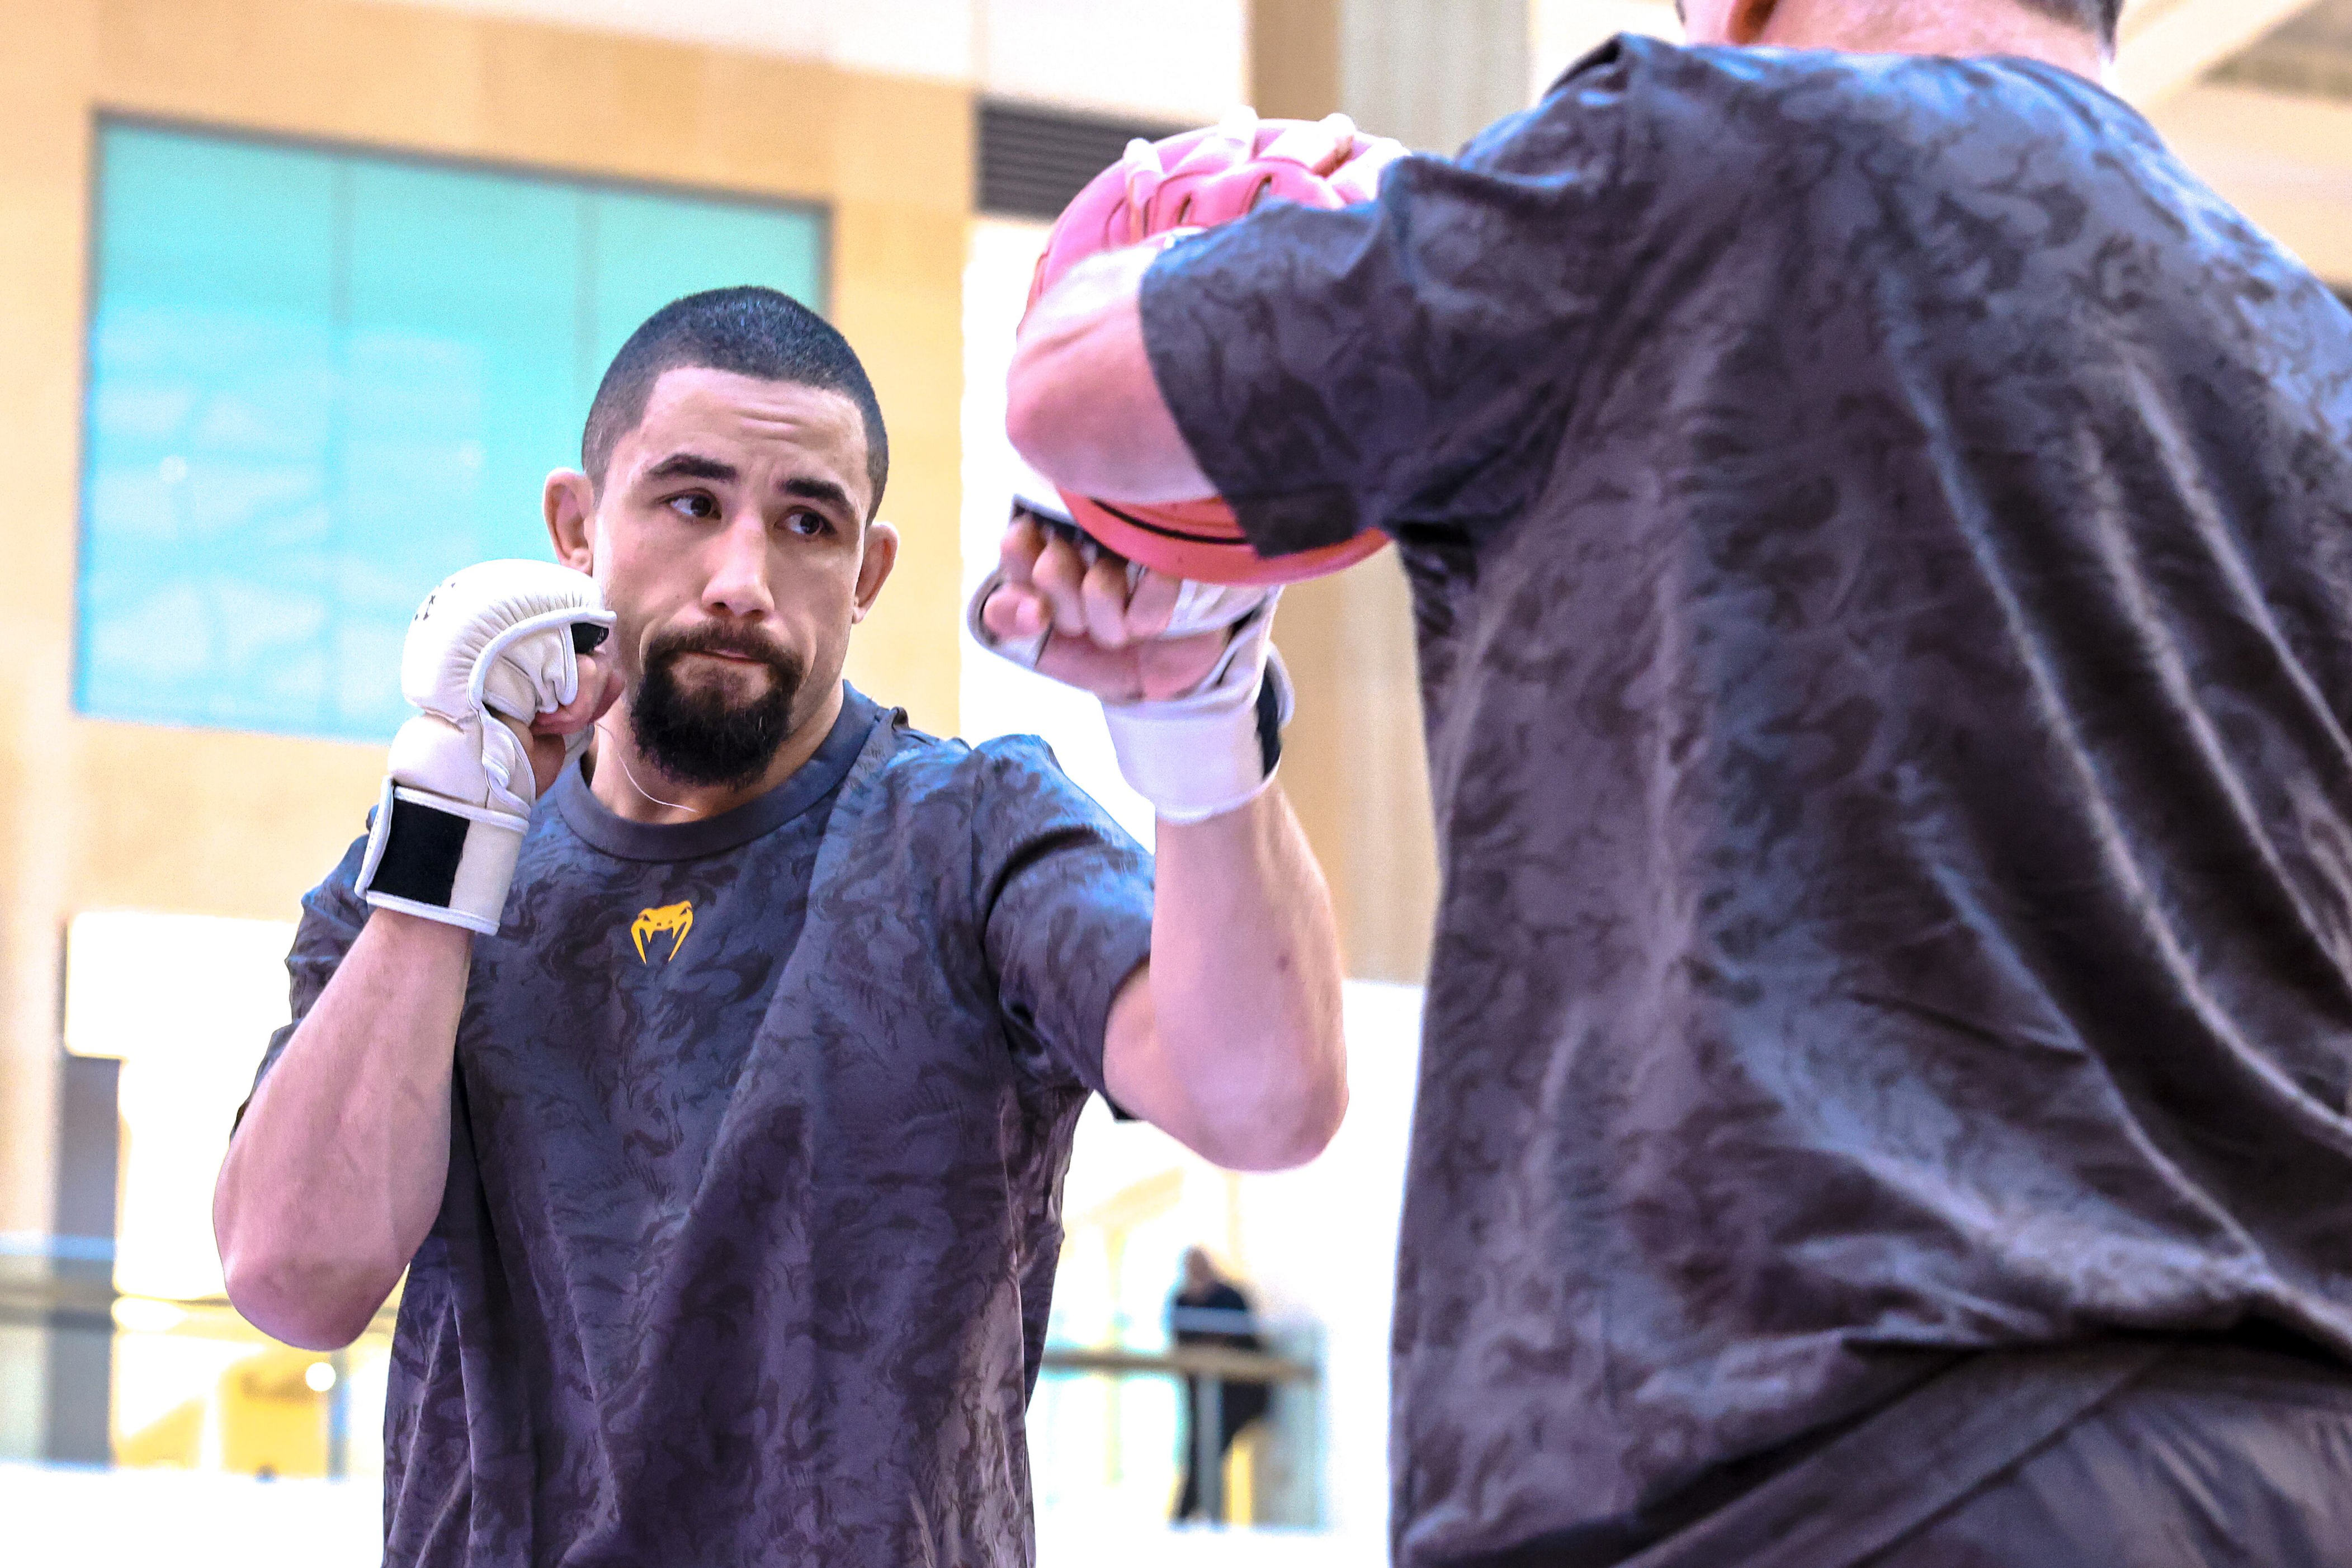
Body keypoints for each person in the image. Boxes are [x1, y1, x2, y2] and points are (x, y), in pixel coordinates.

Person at [990, 0, 2352, 1562]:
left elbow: (1071, 381)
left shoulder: (1691, 159)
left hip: (1832, 1468)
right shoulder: (2305, 355)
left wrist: (1292, 211)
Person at [211, 286, 1348, 1566]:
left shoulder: (969, 831)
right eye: (689, 502)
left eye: (805, 522)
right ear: (574, 527)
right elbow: (296, 1278)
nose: (742, 580)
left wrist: (1203, 724)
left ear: (866, 573)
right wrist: (452, 849)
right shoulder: (413, 875)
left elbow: (1262, 1103)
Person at [1168, 1246, 1270, 1524]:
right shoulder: (1181, 1301)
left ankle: (1188, 1519)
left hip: (1238, 1394)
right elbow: (1182, 1347)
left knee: (1209, 1453)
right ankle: (1188, 1519)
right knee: (1200, 1454)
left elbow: (1243, 1342)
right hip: (1201, 1393)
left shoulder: (1231, 1297)